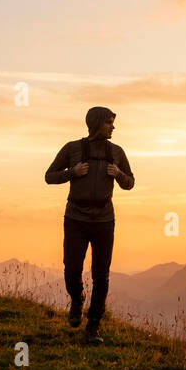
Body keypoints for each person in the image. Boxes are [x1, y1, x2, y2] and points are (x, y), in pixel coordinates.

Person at [44, 106, 134, 343]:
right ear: (95, 124)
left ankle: (93, 327)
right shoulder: (73, 148)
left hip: (105, 220)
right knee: (72, 269)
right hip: (75, 218)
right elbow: (49, 176)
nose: (113, 127)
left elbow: (130, 182)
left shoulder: (116, 152)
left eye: (113, 122)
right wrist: (72, 172)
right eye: (109, 122)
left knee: (101, 276)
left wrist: (118, 174)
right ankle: (77, 298)